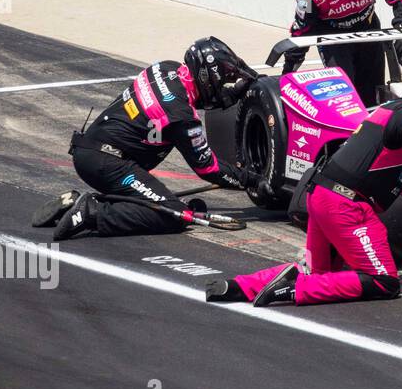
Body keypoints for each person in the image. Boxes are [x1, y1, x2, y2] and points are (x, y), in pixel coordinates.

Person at [206, 62, 402, 307]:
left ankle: (239, 286)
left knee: (319, 275)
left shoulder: (394, 113)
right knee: (384, 281)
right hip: (347, 206)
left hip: (322, 196)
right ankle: (292, 290)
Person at [32, 38, 258, 241]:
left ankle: (73, 204)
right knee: (174, 215)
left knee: (164, 204)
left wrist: (236, 92)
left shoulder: (166, 69)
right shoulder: (182, 118)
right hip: (109, 162)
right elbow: (209, 169)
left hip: (90, 149)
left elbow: (185, 100)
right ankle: (93, 212)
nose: (221, 88)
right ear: (206, 78)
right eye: (221, 83)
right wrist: (252, 181)